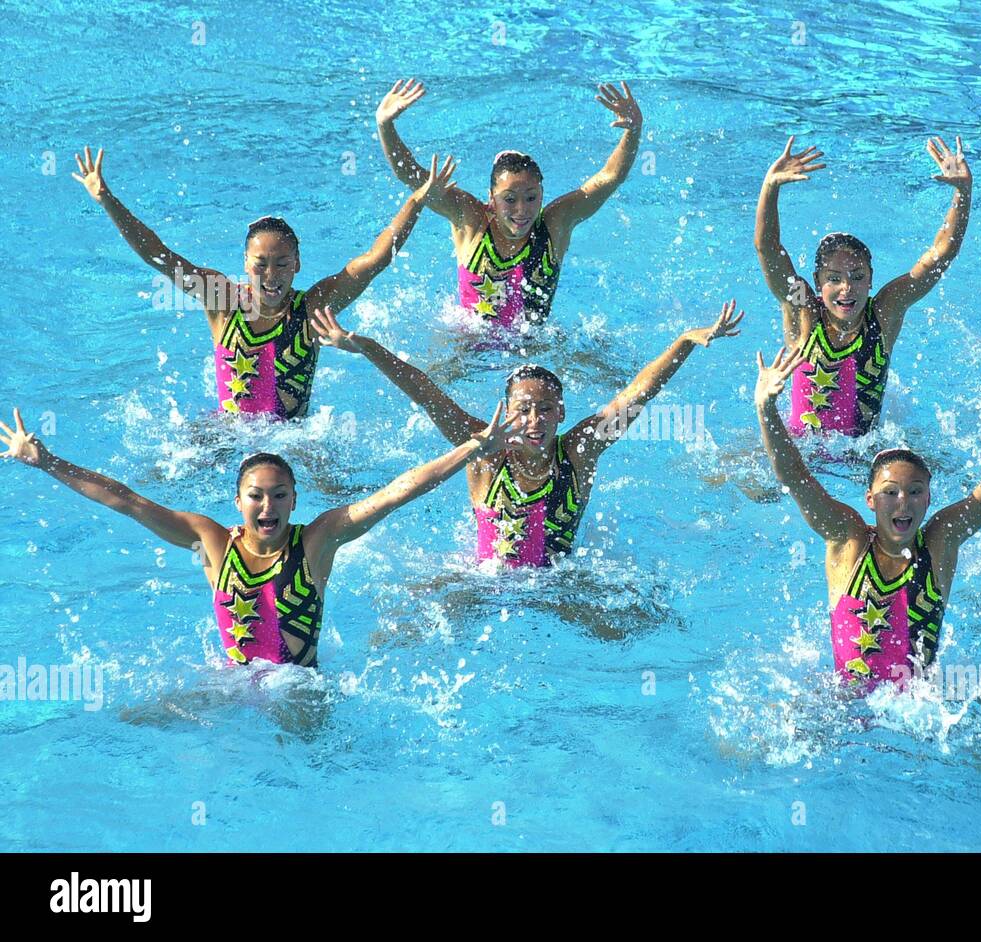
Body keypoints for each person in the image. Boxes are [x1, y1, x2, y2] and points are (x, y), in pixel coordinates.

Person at [0, 404, 521, 666]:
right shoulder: (211, 542)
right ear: (238, 501)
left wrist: (470, 449)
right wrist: (47, 462)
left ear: (294, 500)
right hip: (230, 684)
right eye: (255, 495)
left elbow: (395, 492)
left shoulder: (318, 541)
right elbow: (129, 501)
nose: (266, 505)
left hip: (302, 691)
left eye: (277, 495)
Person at [309, 301, 743, 566]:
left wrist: (685, 341)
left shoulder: (579, 451)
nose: (534, 420)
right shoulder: (482, 450)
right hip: (483, 581)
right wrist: (364, 346)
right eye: (523, 410)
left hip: (560, 582)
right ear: (506, 412)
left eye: (545, 410)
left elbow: (636, 394)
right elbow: (425, 392)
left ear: (561, 414)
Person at [754, 347, 981, 688]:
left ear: (928, 498)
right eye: (890, 492)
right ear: (870, 499)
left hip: (917, 714)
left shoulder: (940, 542)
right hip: (843, 706)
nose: (903, 503)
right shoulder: (848, 541)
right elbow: (795, 476)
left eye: (914, 492)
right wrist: (766, 408)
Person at [72, 147, 443, 419]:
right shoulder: (221, 300)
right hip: (228, 432)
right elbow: (160, 255)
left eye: (282, 263)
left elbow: (373, 262)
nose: (271, 275)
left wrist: (416, 201)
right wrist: (107, 200)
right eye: (261, 264)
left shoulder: (311, 309)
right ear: (245, 264)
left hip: (295, 440)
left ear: (297, 264)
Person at [376, 79, 642, 330]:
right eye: (509, 199)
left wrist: (633, 130)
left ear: (542, 194)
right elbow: (411, 176)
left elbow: (609, 178)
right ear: (491, 199)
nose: (522, 210)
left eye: (531, 197)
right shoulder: (471, 220)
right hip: (469, 342)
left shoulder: (555, 224)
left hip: (536, 346)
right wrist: (385, 126)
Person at [754, 134, 972, 436]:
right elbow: (767, 249)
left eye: (857, 277)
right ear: (817, 284)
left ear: (871, 280)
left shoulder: (884, 312)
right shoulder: (802, 308)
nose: (847, 288)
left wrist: (962, 192)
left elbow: (940, 255)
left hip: (864, 455)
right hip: (800, 452)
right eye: (834, 279)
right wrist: (770, 187)